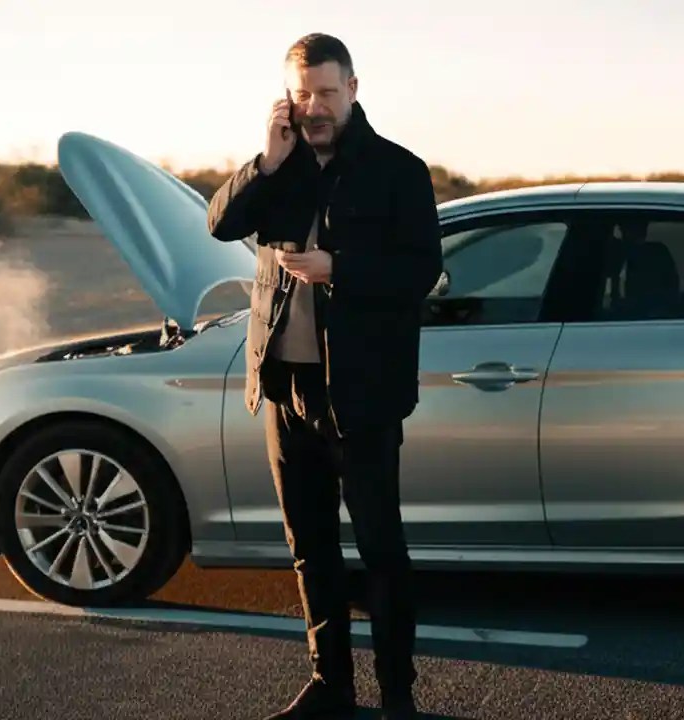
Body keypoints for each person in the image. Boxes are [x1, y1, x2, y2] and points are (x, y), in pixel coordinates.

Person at [206, 32, 443, 720]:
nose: (315, 105)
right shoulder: (278, 169)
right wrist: (265, 160)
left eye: (327, 93)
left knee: (380, 550)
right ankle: (330, 685)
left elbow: (419, 270)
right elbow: (220, 222)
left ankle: (397, 693)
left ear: (354, 90)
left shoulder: (400, 170)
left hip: (363, 397)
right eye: (303, 92)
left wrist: (341, 270)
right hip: (285, 389)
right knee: (309, 549)